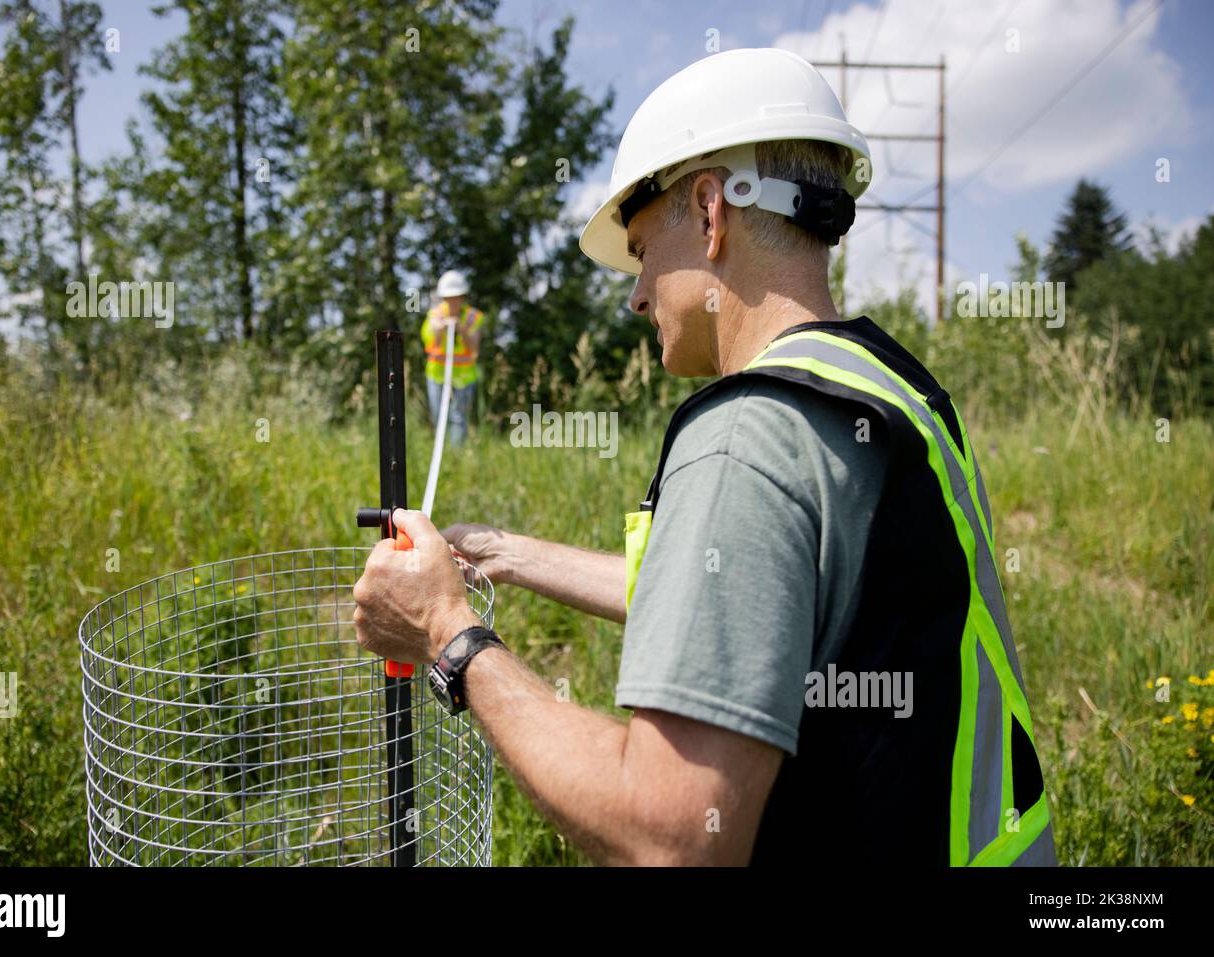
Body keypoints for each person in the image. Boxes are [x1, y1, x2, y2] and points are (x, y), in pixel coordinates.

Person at [352, 49, 1056, 866]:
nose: (637, 294)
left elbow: (672, 835)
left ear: (711, 210)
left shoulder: (748, 434)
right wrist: (502, 555)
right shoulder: (889, 388)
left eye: (645, 251)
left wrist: (448, 630)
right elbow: (753, 598)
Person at [420, 269, 484, 447]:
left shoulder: (473, 317)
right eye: (449, 297)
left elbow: (474, 347)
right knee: (438, 416)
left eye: (456, 296)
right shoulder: (435, 315)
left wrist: (461, 329)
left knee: (458, 417)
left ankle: (456, 456)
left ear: (463, 296)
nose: (453, 301)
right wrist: (439, 328)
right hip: (437, 374)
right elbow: (428, 339)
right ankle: (440, 452)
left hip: (464, 377)